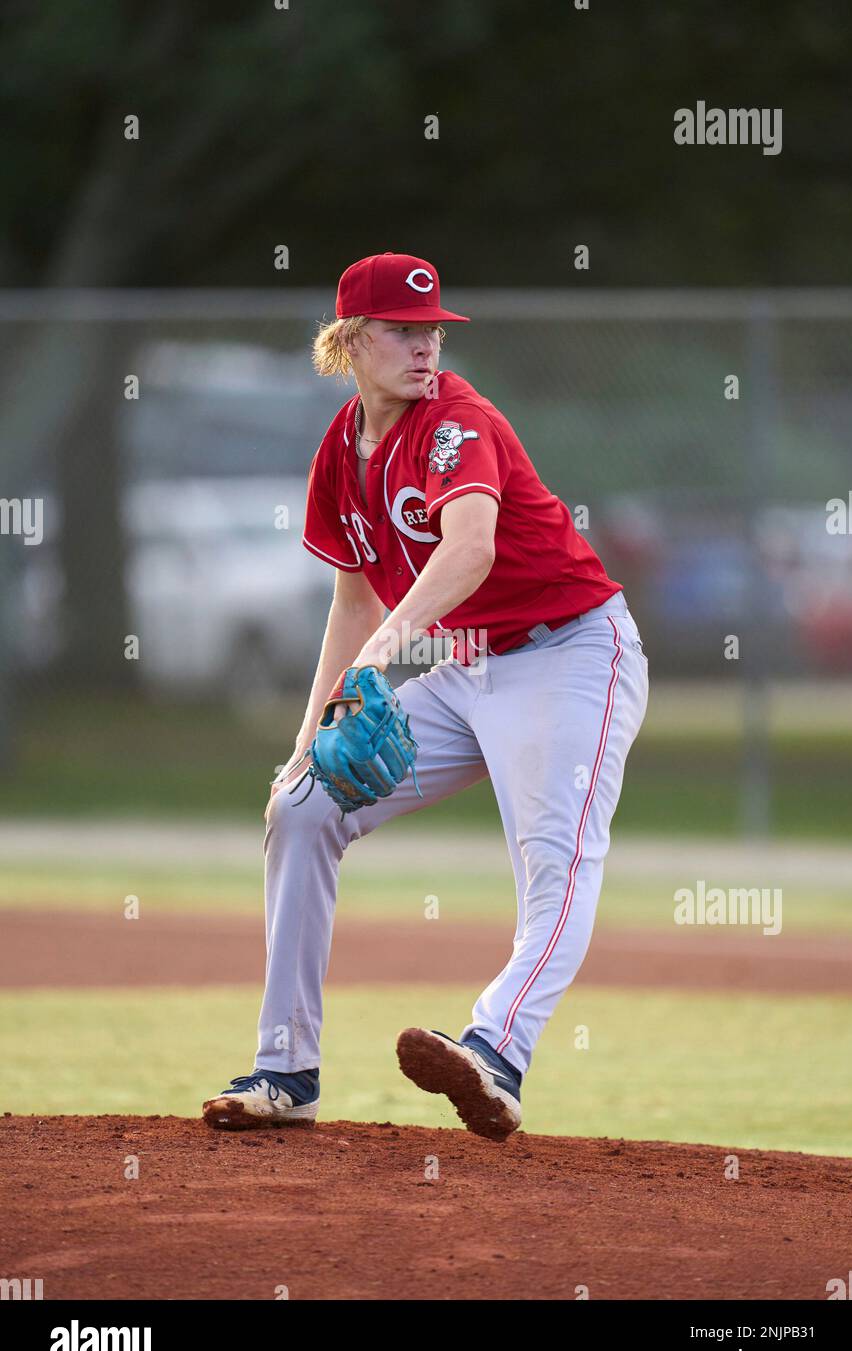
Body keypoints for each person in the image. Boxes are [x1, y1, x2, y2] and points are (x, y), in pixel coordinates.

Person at [202, 251, 649, 1140]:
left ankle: (497, 1052)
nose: (425, 345)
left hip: (570, 655)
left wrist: (378, 658)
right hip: (472, 669)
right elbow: (351, 598)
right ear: (349, 341)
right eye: (405, 331)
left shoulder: (456, 422)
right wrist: (306, 740)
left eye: (433, 329)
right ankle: (286, 1071)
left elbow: (470, 548)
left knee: (556, 862)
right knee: (298, 809)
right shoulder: (341, 449)